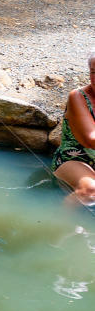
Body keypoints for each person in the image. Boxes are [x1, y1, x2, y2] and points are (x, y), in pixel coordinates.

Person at [53, 53, 95, 204]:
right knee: (90, 190)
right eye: (93, 72)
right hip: (75, 157)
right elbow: (90, 139)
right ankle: (63, 226)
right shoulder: (78, 97)